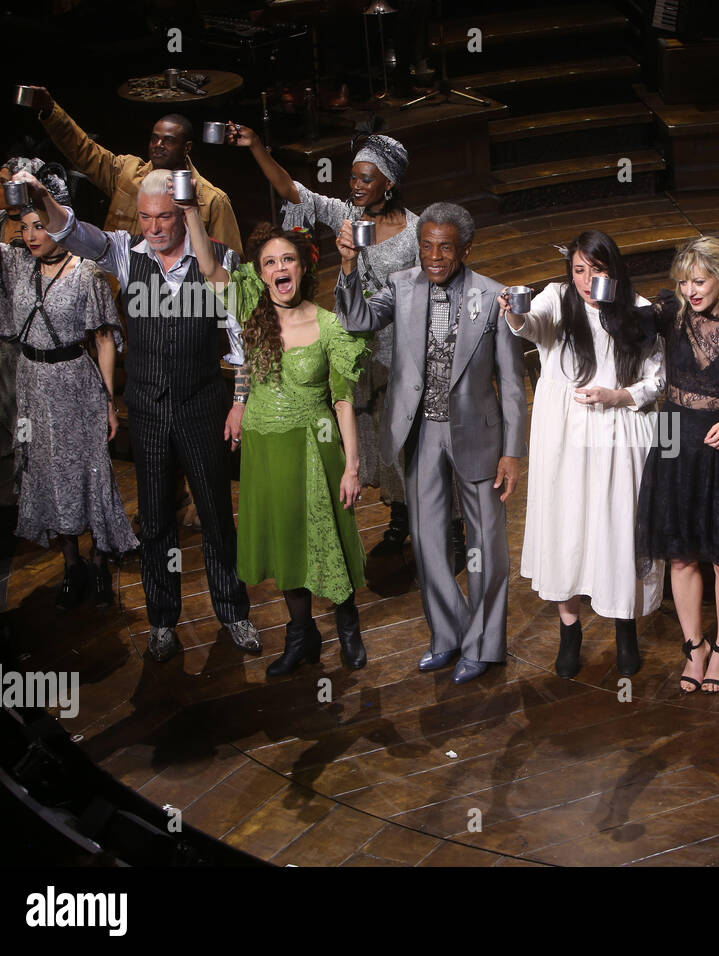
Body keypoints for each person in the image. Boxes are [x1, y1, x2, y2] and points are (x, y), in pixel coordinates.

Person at [24, 167, 260, 661]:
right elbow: (72, 231)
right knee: (154, 522)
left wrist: (239, 400)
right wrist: (42, 197)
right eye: (147, 218)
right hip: (149, 409)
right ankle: (161, 622)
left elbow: (242, 335)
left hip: (202, 404)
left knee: (217, 514)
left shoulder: (219, 260)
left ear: (182, 214)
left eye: (164, 218)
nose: (154, 228)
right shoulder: (125, 254)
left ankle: (233, 611)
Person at [334, 202, 527, 685]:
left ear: (465, 248)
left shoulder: (493, 295)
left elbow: (513, 381)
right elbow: (356, 320)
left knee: (485, 547)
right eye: (426, 246)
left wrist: (513, 451)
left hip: (479, 435)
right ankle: (448, 635)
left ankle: (484, 644)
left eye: (444, 247)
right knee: (428, 542)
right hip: (420, 431)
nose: (434, 256)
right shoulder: (401, 285)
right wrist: (348, 265)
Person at [227, 123, 421, 557]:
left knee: (402, 436)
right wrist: (258, 144)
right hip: (355, 347)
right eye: (352, 177)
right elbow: (293, 192)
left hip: (401, 349)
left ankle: (430, 518)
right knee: (371, 432)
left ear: (388, 183)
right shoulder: (346, 215)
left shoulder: (415, 230)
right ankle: (396, 517)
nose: (355, 186)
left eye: (366, 179)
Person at [199, 224, 369, 675]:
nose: (280, 268)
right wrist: (190, 209)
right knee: (286, 542)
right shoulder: (252, 310)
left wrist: (352, 465)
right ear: (260, 272)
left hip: (316, 448)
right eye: (270, 262)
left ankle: (348, 627)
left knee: (326, 538)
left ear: (304, 265)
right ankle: (302, 634)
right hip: (264, 449)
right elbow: (208, 267)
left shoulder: (329, 324)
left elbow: (343, 399)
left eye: (287, 260)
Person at [500, 230, 664, 678]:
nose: (587, 280)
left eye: (596, 270)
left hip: (620, 429)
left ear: (614, 269)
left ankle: (624, 627)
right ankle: (569, 630)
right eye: (578, 270)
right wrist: (515, 316)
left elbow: (658, 380)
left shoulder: (640, 311)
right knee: (567, 527)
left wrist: (618, 396)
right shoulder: (557, 298)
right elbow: (531, 325)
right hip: (564, 433)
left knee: (618, 527)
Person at [0, 168, 138, 608]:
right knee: (45, 473)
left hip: (76, 384)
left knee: (90, 474)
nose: (31, 235)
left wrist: (107, 401)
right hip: (32, 384)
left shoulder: (85, 273)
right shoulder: (16, 265)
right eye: (24, 227)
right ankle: (71, 564)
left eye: (39, 226)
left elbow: (104, 338)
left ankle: (100, 563)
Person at [636, 237, 719, 695]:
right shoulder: (671, 315)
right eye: (684, 281)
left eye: (699, 280)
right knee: (679, 549)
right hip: (673, 431)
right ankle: (693, 645)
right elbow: (625, 324)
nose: (691, 290)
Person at [16, 86, 242, 253]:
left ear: (187, 148)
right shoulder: (127, 172)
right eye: (154, 139)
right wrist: (50, 110)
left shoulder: (211, 201)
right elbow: (83, 150)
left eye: (168, 140)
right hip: (118, 286)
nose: (158, 145)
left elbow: (230, 262)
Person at [0, 159, 43, 458]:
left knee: (25, 415)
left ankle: (27, 467)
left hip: (26, 340)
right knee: (9, 410)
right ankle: (21, 466)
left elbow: (2, 257)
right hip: (2, 336)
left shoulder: (36, 231)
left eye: (3, 184)